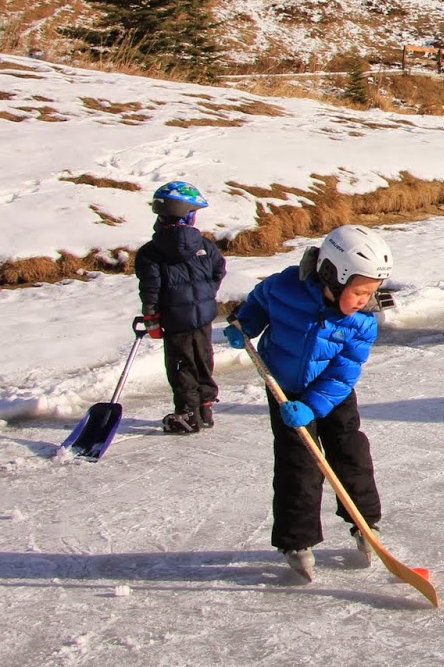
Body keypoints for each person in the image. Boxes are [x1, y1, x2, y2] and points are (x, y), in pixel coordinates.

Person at [224, 224, 394, 582]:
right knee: (297, 466)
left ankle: (364, 522)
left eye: (371, 293)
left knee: (350, 455)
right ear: (332, 275)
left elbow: (344, 374)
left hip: (333, 395)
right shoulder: (284, 287)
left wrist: (314, 406)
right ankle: (296, 540)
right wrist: (245, 325)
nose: (365, 301)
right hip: (285, 392)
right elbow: (259, 302)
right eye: (359, 292)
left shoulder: (362, 322)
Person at [135, 181, 225, 434]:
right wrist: (206, 295)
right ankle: (205, 407)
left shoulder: (150, 253)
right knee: (203, 358)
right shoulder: (204, 245)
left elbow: (150, 289)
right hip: (203, 317)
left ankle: (189, 413)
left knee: (181, 365)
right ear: (189, 215)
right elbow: (219, 269)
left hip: (176, 321)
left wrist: (151, 318)